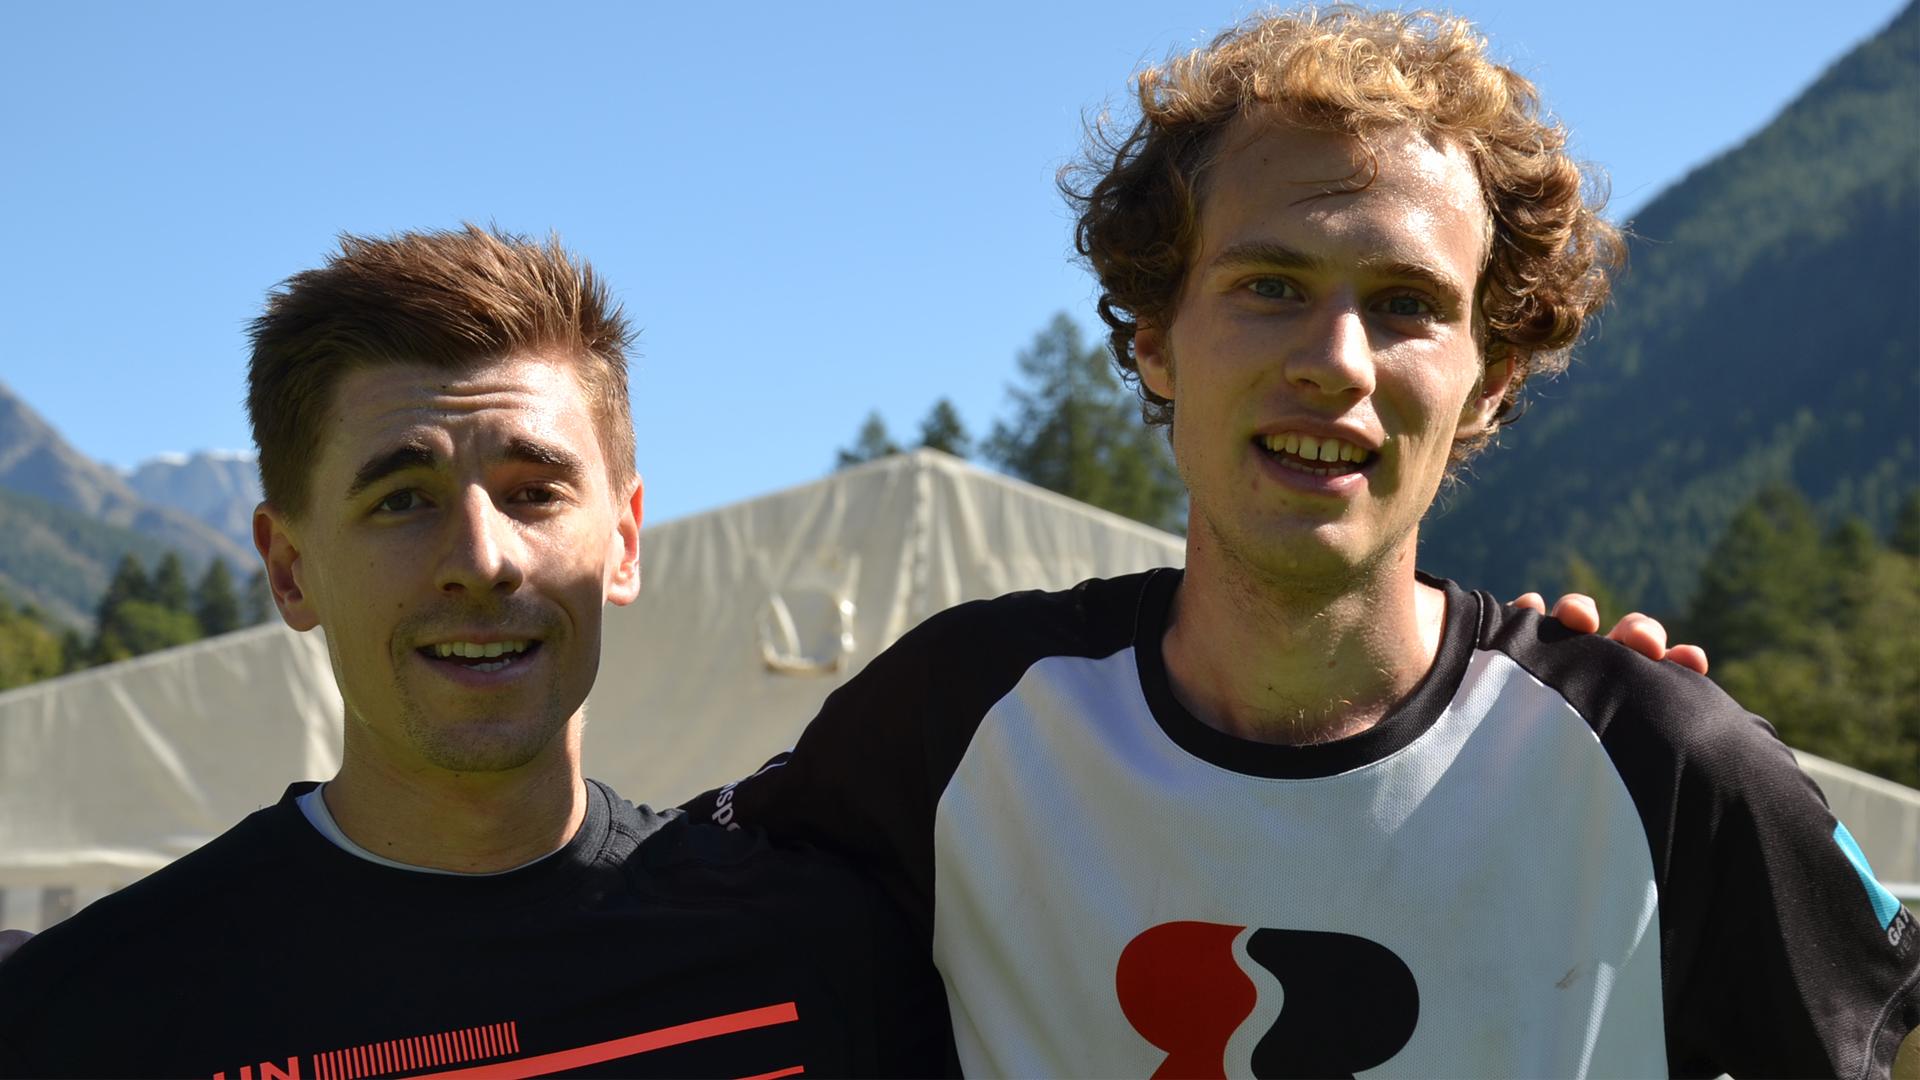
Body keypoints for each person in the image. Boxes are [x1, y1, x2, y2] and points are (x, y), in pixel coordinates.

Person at [689, 8, 1920, 1076]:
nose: (1334, 362)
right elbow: (599, 922)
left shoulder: (1658, 767)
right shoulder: (948, 728)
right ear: (1154, 340)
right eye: (1270, 285)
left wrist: (1644, 734)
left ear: (1490, 382)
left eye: (1404, 306)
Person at [0, 228, 949, 1078]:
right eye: (403, 499)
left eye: (534, 491)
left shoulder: (823, 952)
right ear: (290, 571)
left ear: (623, 542)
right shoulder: (91, 1019)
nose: (483, 560)